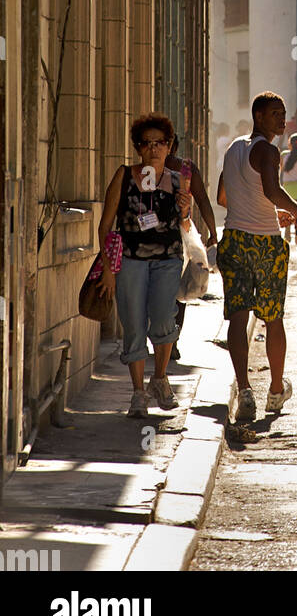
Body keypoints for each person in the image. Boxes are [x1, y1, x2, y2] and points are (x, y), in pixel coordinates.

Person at [216, 91, 297, 422]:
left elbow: (223, 197)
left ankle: (244, 392)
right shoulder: (268, 150)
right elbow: (271, 190)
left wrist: (267, 212)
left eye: (282, 113)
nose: (282, 119)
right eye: (274, 113)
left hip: (235, 241)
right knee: (273, 318)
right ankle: (274, 390)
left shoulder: (233, 149)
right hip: (266, 246)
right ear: (259, 117)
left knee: (238, 317)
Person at [97, 113, 191, 417]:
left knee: (165, 319)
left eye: (160, 143)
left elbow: (185, 227)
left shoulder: (177, 181)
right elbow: (105, 225)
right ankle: (138, 394)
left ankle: (160, 379)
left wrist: (186, 212)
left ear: (169, 146)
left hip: (167, 260)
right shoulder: (124, 176)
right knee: (134, 325)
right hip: (131, 261)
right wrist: (109, 269)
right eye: (147, 143)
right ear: (138, 147)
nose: (154, 149)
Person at [167, 133, 219, 363]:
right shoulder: (148, 171)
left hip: (170, 237)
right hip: (168, 236)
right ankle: (169, 341)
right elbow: (203, 200)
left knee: (171, 290)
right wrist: (212, 232)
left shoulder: (181, 169)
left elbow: (203, 200)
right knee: (174, 291)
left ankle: (169, 341)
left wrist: (213, 232)